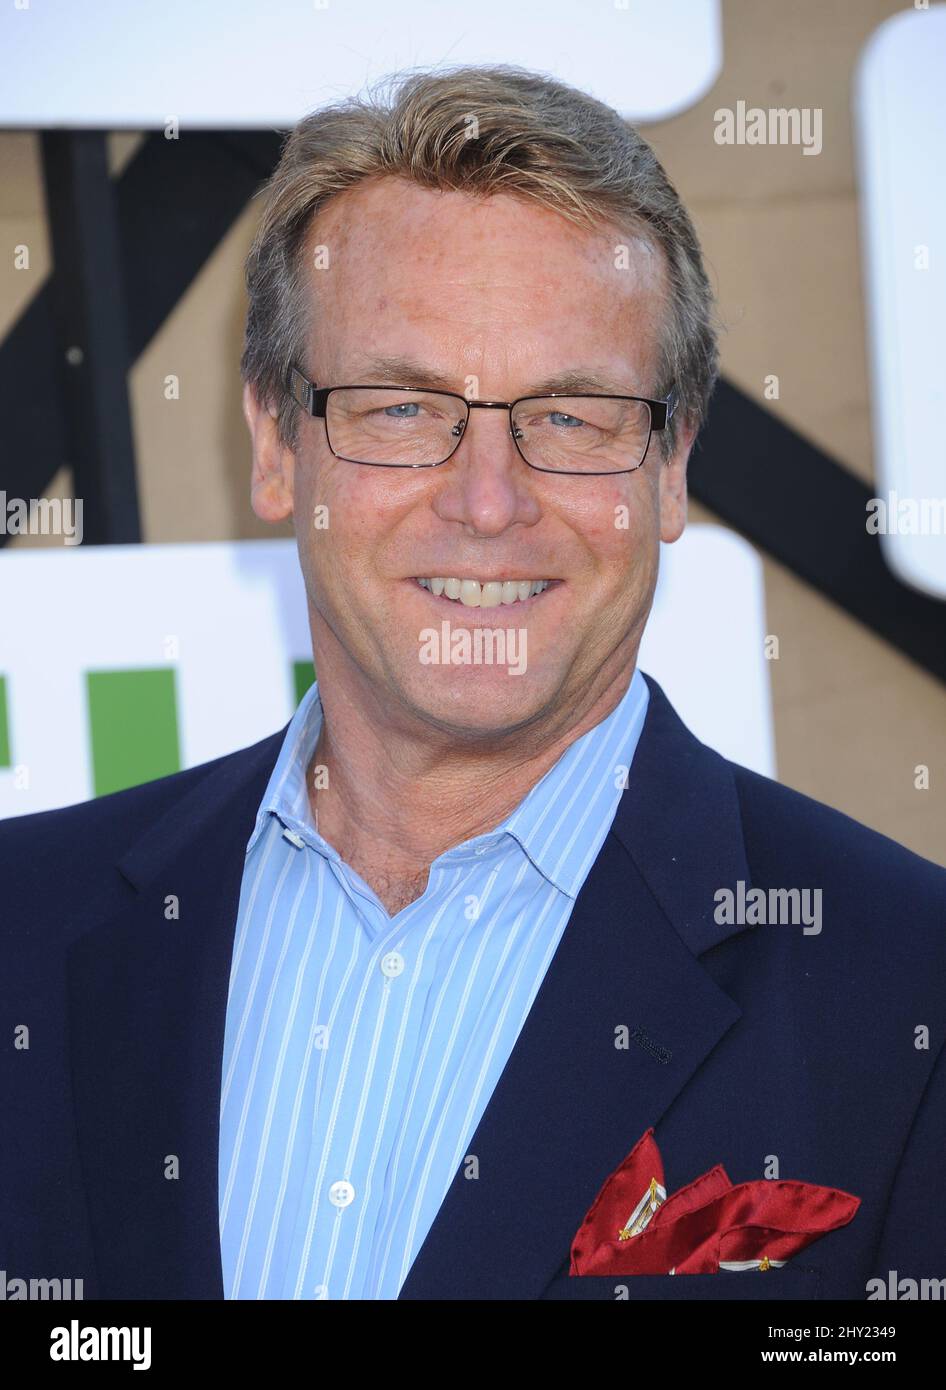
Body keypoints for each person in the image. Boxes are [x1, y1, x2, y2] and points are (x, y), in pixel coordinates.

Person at [2, 65, 944, 1303]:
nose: (487, 501)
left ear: (671, 466)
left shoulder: (905, 988)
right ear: (276, 447)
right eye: (401, 407)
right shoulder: (25, 921)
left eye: (571, 415)